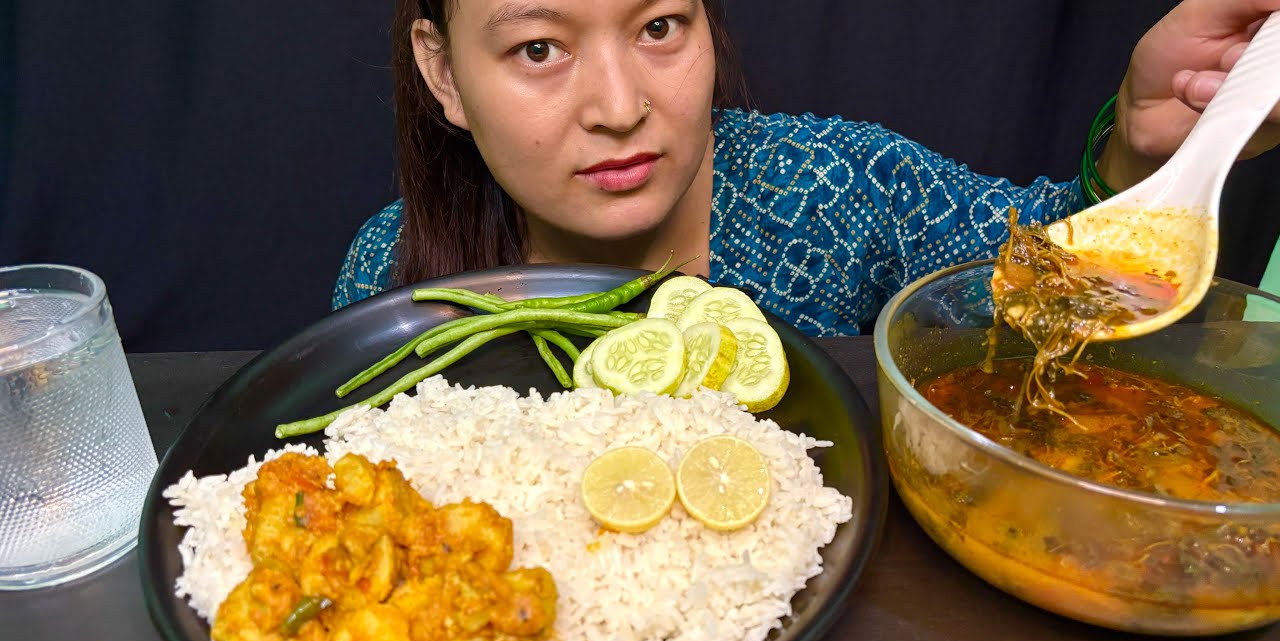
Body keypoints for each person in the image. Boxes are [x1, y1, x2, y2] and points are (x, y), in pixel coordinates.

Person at [333, 0, 1280, 337]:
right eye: (539, 49)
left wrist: (1147, 149)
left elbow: (1069, 280)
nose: (619, 107)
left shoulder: (835, 187)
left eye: (660, 27)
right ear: (442, 72)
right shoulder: (389, 277)